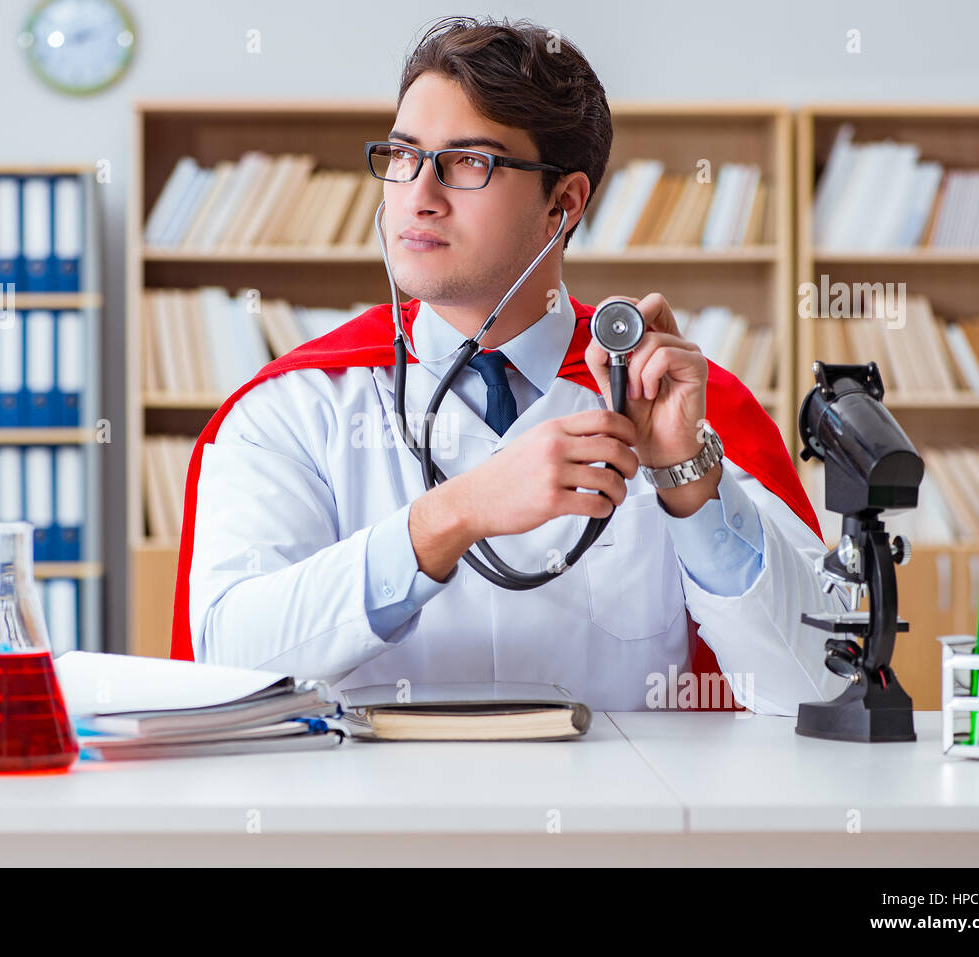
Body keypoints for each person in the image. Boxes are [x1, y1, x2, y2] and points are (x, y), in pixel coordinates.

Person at [169, 16, 850, 714]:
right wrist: (449, 516)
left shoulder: (680, 409)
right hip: (376, 822)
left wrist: (685, 478)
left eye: (469, 162)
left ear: (564, 203)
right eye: (403, 155)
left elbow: (820, 688)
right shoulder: (293, 406)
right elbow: (228, 657)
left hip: (614, 819)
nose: (419, 194)